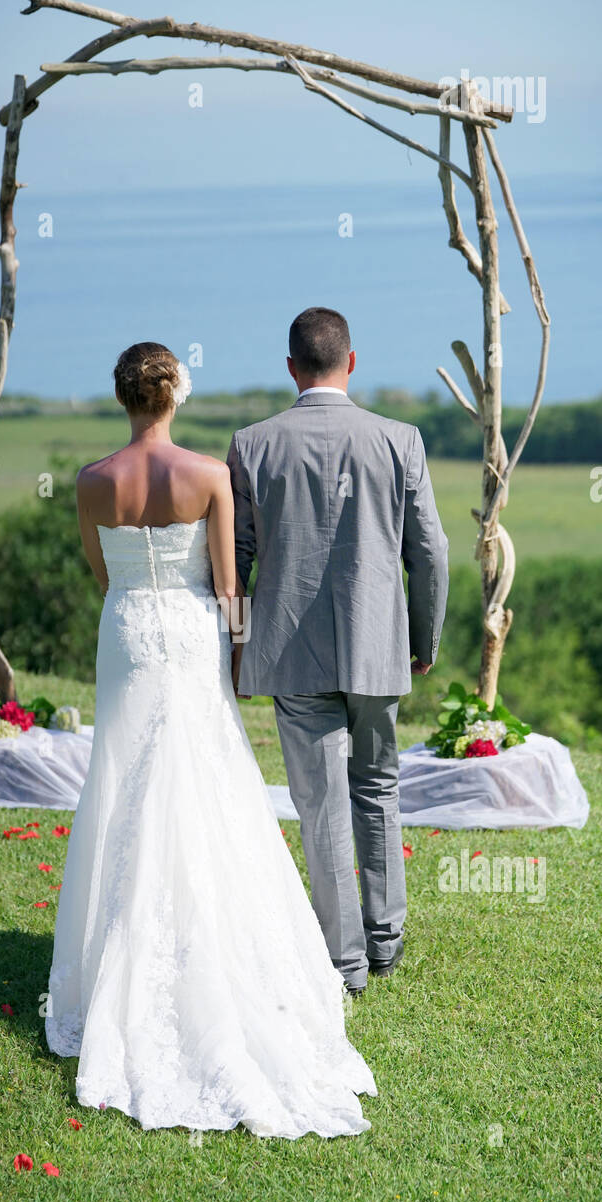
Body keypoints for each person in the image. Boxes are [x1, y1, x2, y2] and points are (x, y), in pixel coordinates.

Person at [45, 341, 376, 1139]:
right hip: (191, 634)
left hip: (126, 629)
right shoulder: (209, 476)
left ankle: (117, 956)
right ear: (175, 396)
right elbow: (230, 586)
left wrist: (136, 599)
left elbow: (101, 570)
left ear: (124, 396)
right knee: (206, 777)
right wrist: (233, 648)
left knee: (124, 779)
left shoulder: (92, 482)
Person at [227, 307, 449, 994]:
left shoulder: (250, 443)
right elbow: (431, 553)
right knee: (377, 787)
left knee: (320, 803)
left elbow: (233, 558)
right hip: (378, 647)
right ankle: (386, 940)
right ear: (351, 362)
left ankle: (344, 961)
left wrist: (235, 642)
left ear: (291, 367)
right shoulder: (398, 439)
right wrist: (424, 639)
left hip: (291, 652)